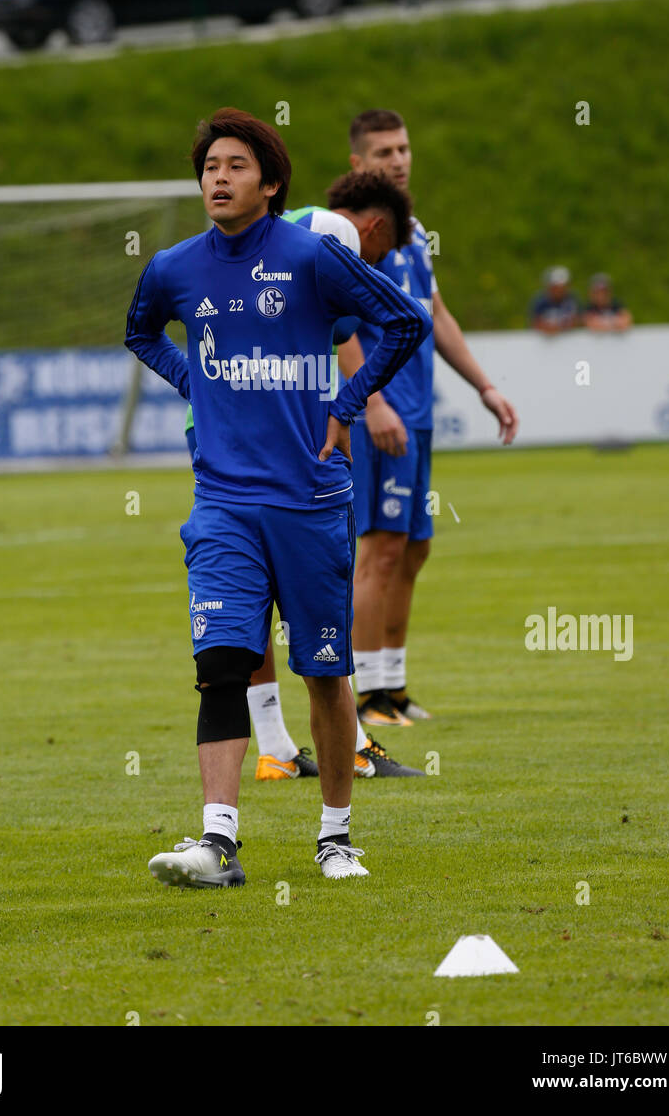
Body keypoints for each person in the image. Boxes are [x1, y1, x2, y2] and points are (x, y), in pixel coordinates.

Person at [125, 108, 431, 887]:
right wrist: (192, 379)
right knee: (222, 663)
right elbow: (140, 332)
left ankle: (335, 836)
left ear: (270, 181)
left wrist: (349, 402)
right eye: (208, 167)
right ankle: (216, 842)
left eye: (234, 166)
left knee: (324, 671)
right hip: (222, 503)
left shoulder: (312, 255)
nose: (217, 179)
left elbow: (400, 322)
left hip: (308, 497)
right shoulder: (174, 267)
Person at [183, 168, 418, 783]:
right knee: (282, 573)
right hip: (253, 422)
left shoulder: (281, 236)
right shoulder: (326, 237)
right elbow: (343, 325)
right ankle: (324, 745)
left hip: (223, 417)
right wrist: (359, 402)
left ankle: (280, 747)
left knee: (250, 586)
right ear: (369, 232)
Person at [338, 108, 519, 732]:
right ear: (359, 164)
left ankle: (391, 686)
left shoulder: (413, 233)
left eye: (405, 148)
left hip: (417, 417)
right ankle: (362, 697)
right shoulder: (351, 233)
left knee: (414, 548)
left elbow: (436, 317)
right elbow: (340, 327)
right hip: (377, 416)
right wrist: (374, 402)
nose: (400, 159)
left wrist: (485, 386)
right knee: (380, 550)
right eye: (385, 152)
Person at [530, 266, 581, 333]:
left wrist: (561, 326)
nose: (559, 290)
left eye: (562, 286)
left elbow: (579, 319)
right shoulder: (540, 301)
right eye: (556, 287)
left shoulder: (572, 300)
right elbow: (534, 322)